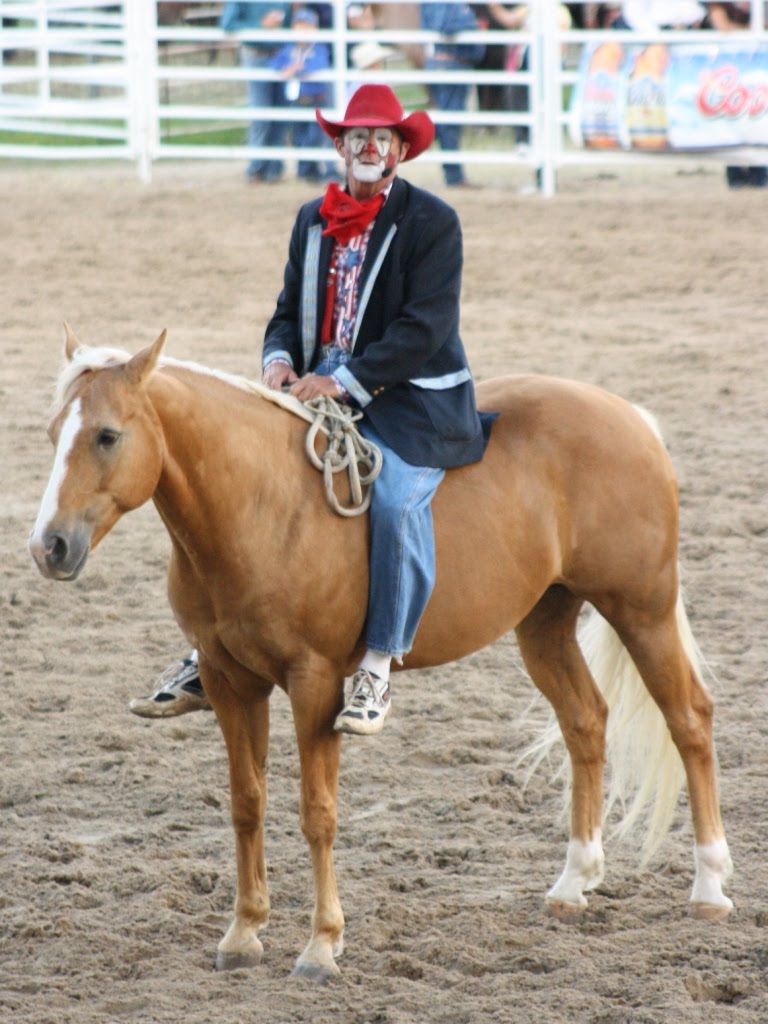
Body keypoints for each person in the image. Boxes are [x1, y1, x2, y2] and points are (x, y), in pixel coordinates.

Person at [130, 84, 493, 736]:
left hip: (410, 398)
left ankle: (378, 665)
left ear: (399, 152)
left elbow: (424, 329)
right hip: (314, 382)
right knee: (248, 482)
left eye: (382, 138)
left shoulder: (432, 222)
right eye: (357, 136)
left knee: (395, 498)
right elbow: (285, 312)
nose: (369, 146)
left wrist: (343, 382)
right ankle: (210, 650)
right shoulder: (311, 218)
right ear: (339, 146)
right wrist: (276, 359)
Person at [220, 1, 290, 183]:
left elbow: (289, 20)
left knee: (280, 115)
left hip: (282, 55)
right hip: (256, 54)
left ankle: (273, 168)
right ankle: (256, 167)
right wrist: (260, 26)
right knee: (261, 115)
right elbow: (228, 24)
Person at [420, 2, 486, 187]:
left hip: (451, 65)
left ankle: (452, 171)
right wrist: (472, 26)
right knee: (449, 122)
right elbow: (444, 26)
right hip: (449, 65)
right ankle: (453, 175)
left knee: (448, 121)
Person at [704, 2, 768, 188]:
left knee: (757, 118)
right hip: (731, 68)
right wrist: (752, 30)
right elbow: (722, 25)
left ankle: (758, 171)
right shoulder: (723, 5)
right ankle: (737, 173)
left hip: (754, 66)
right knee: (734, 119)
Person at [269, 6, 336, 181]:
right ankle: (305, 170)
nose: (303, 31)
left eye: (307, 26)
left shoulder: (319, 48)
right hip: (297, 99)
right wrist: (287, 69)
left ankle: (311, 168)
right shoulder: (288, 48)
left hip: (316, 99)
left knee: (314, 136)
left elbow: (319, 65)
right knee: (299, 135)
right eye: (299, 26)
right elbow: (275, 64)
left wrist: (296, 69)